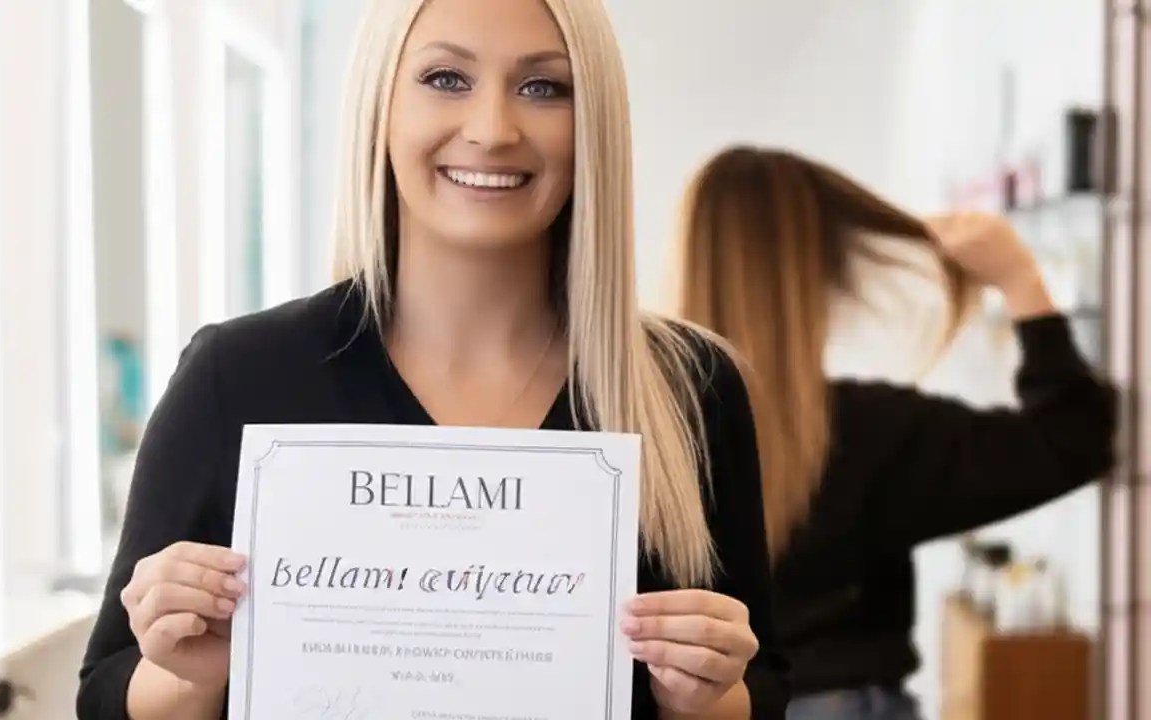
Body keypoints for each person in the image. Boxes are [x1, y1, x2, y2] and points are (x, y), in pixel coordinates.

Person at [76, 2, 790, 718]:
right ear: (380, 105)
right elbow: (104, 695)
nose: (491, 129)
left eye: (544, 88)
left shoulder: (691, 388)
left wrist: (708, 695)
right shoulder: (235, 378)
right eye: (446, 78)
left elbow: (764, 690)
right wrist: (188, 675)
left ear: (594, 122)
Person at [672, 145, 1117, 720]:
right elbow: (1072, 441)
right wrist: (1019, 280)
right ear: (826, 267)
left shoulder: (653, 434)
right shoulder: (867, 433)